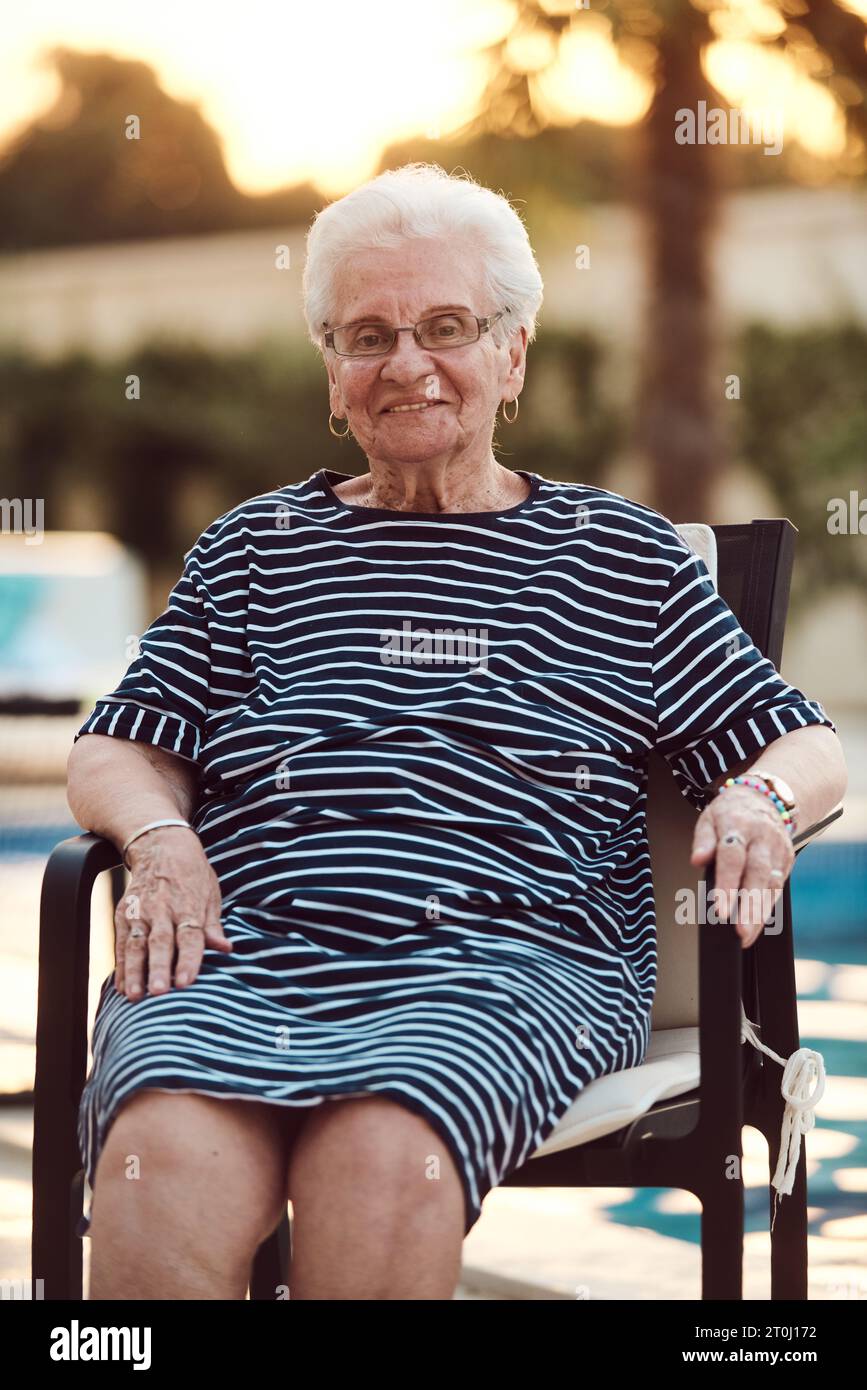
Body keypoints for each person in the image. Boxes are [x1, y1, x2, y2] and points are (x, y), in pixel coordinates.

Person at [66, 162, 847, 1301]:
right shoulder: (255, 551)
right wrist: (159, 840)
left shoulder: (617, 559)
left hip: (507, 958)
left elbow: (805, 743)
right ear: (332, 375)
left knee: (383, 1156)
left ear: (512, 353)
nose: (407, 364)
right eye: (367, 335)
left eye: (446, 326)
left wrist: (757, 800)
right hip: (245, 956)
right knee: (160, 1165)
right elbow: (117, 742)